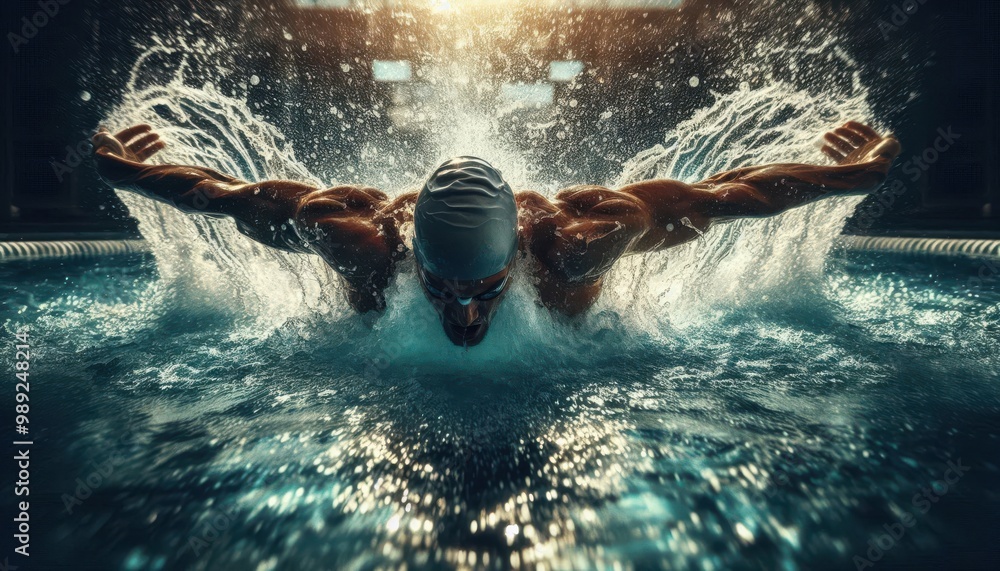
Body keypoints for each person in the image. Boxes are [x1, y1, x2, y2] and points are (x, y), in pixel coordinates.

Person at [92, 121, 901, 346]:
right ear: (411, 252)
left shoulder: (575, 242)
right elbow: (219, 195)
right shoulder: (358, 239)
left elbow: (734, 194)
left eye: (482, 292)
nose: (465, 317)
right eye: (443, 289)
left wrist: (856, 173)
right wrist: (124, 171)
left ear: (515, 255)